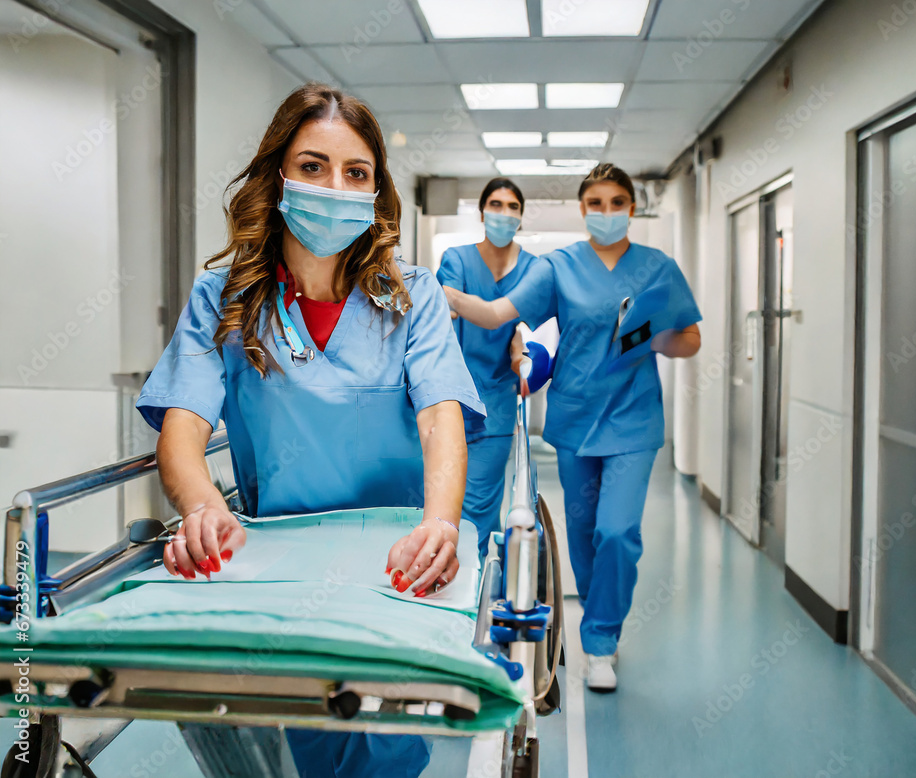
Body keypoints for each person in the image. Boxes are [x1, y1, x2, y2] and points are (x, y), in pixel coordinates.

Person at [136, 83, 485, 778]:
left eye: (356, 172)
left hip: (395, 561)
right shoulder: (225, 299)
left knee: (388, 744)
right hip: (278, 563)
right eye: (313, 166)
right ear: (278, 176)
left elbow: (440, 414)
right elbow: (183, 428)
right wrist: (201, 508)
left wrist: (441, 524)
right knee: (313, 736)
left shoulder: (410, 296)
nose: (334, 188)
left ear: (376, 189)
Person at [443, 163, 702, 692]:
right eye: (596, 203)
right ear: (583, 209)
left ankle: (601, 640)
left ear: (631, 207)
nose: (607, 212)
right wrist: (442, 296)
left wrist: (648, 336)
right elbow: (495, 314)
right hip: (576, 418)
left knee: (617, 532)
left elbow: (690, 339)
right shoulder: (558, 267)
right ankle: (597, 616)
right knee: (583, 536)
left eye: (617, 202)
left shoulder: (657, 267)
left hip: (633, 420)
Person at [435, 178, 537, 557]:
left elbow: (530, 327)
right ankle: (474, 576)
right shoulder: (458, 259)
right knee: (446, 506)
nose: (503, 213)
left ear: (521, 217)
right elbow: (443, 312)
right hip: (450, 401)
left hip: (496, 404)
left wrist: (521, 345)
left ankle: (472, 586)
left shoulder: (533, 268)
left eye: (512, 206)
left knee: (475, 511)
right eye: (495, 204)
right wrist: (450, 302)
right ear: (481, 213)